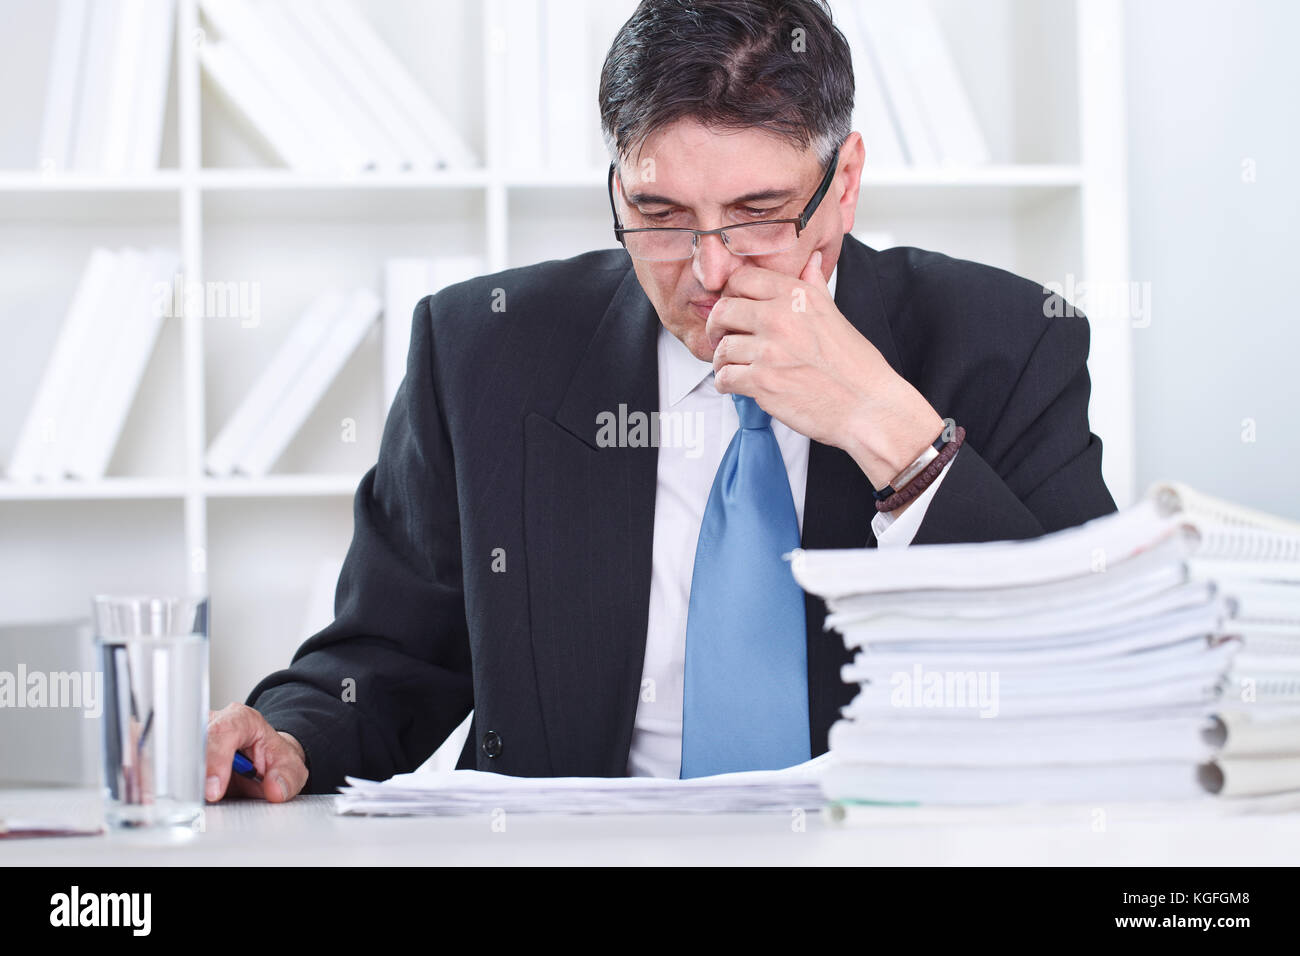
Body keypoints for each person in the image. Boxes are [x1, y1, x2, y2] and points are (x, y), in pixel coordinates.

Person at [205, 0, 1117, 802]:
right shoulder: (480, 351)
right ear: (615, 187)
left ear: (841, 188)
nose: (708, 272)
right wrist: (288, 735)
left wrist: (889, 429)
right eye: (661, 214)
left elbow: (1092, 672)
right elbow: (384, 660)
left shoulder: (1007, 339)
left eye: (760, 212)